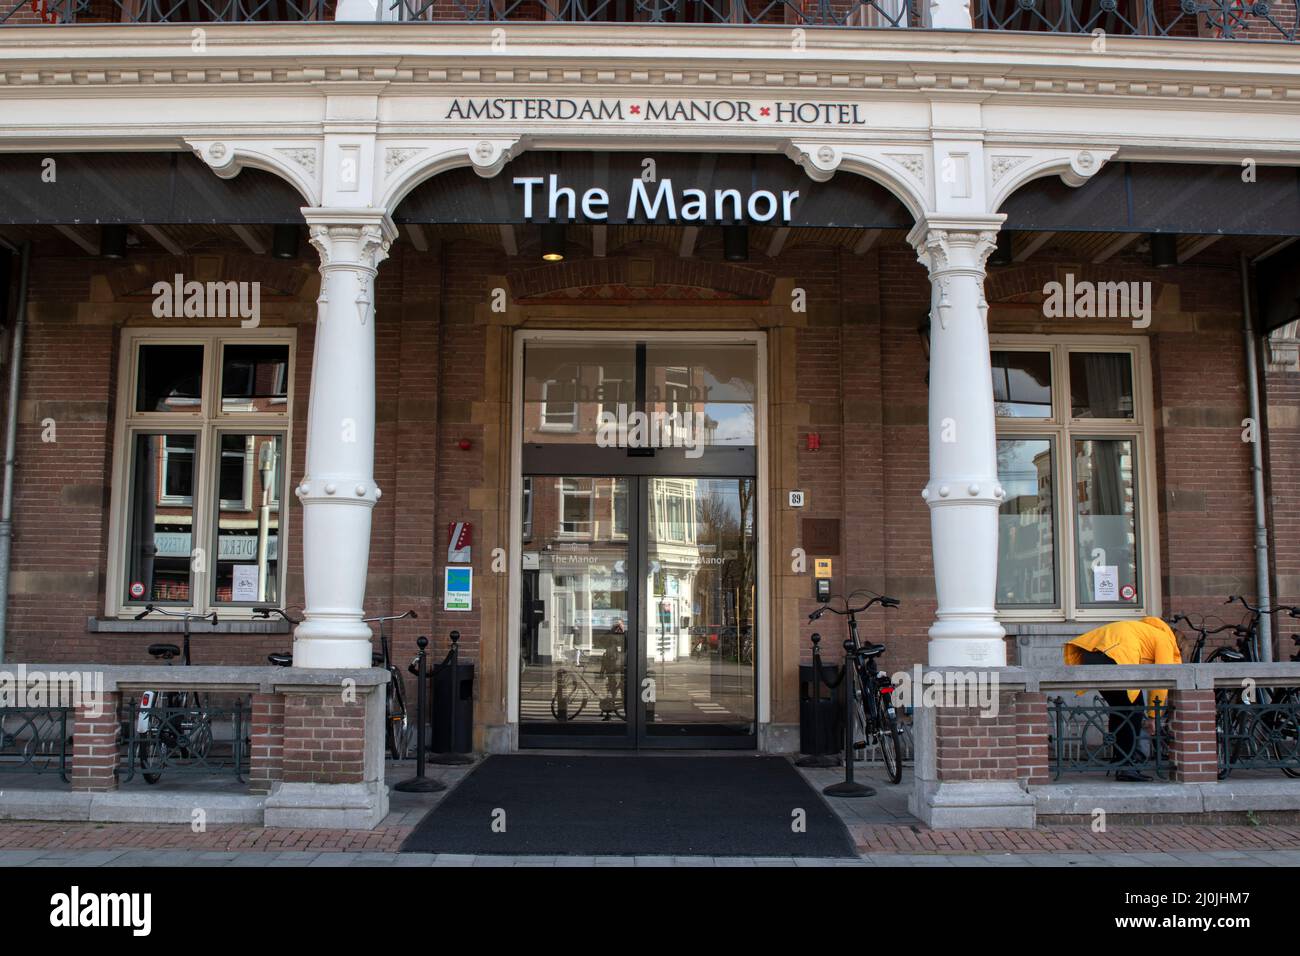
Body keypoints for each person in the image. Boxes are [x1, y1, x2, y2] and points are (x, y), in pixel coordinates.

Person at [1063, 617, 1182, 782]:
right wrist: (1154, 716)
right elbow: (1162, 678)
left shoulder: (1144, 630)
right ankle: (1127, 766)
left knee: (1120, 708)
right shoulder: (1165, 640)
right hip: (1114, 656)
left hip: (1092, 655)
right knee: (1134, 707)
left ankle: (1119, 760)